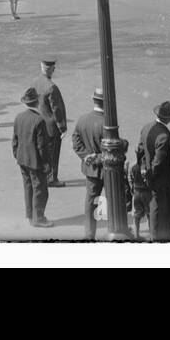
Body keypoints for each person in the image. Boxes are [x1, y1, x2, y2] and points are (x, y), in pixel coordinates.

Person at [13, 86, 54, 228]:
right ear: (37, 102)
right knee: (40, 189)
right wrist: (47, 163)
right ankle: (39, 218)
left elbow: (15, 141)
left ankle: (30, 215)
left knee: (28, 187)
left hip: (22, 159)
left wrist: (17, 155)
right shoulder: (39, 121)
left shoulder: (19, 117)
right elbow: (42, 146)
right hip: (35, 161)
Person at [135, 101, 170, 242]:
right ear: (168, 118)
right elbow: (158, 162)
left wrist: (143, 169)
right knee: (165, 210)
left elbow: (140, 151)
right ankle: (161, 237)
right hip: (161, 180)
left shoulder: (146, 128)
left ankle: (154, 234)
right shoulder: (165, 136)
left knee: (154, 207)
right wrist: (151, 175)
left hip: (149, 175)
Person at [72, 87, 108, 241]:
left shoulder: (82, 119)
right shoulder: (107, 123)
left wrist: (86, 156)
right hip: (107, 169)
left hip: (90, 170)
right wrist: (98, 157)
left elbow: (76, 141)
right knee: (110, 201)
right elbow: (112, 149)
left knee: (90, 201)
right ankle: (112, 229)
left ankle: (89, 234)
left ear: (93, 100)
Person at [34, 59, 67, 186]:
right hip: (51, 126)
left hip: (39, 122)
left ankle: (42, 175)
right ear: (52, 69)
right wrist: (62, 127)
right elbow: (56, 109)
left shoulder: (35, 82)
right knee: (53, 153)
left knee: (42, 150)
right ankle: (51, 178)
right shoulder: (52, 88)